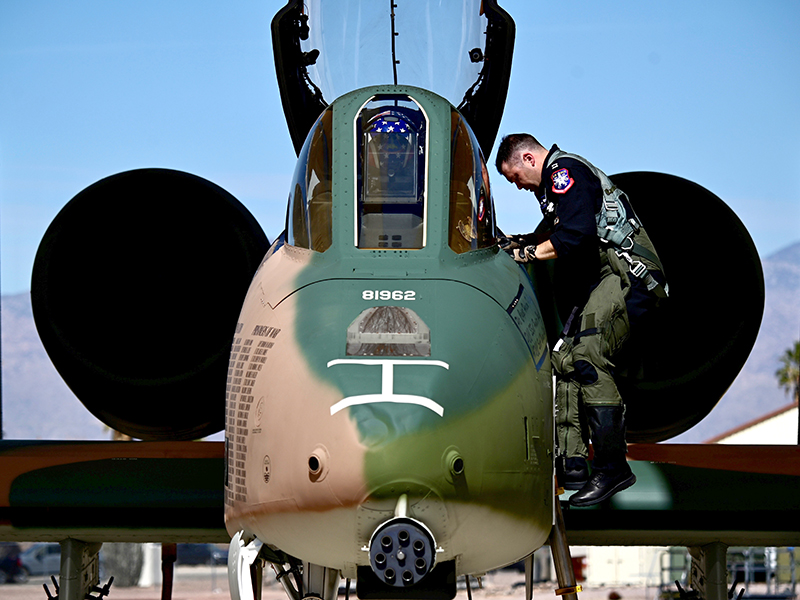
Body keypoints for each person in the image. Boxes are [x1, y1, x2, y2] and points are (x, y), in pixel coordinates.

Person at [495, 133, 667, 507]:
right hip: (604, 277)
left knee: (588, 356)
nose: (519, 187)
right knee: (565, 359)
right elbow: (558, 229)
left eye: (515, 178)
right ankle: (573, 468)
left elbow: (575, 235)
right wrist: (516, 242)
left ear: (527, 158)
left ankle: (612, 468)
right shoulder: (557, 186)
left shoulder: (564, 172)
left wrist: (525, 254)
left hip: (628, 275)